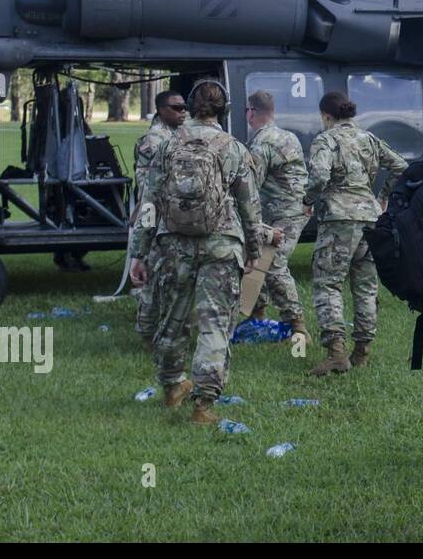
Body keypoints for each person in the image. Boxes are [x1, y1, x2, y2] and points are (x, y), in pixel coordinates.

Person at [129, 80, 280, 424]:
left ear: (192, 107)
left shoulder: (167, 145)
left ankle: (171, 387)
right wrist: (254, 250)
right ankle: (203, 405)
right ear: (224, 110)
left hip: (173, 244)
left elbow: (148, 203)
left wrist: (139, 253)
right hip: (221, 245)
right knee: (215, 324)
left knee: (173, 320)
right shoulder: (234, 148)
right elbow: (250, 207)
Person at [302, 90, 408, 375]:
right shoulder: (369, 139)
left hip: (339, 218)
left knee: (328, 283)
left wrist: (308, 199)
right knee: (365, 286)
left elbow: (320, 175)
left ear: (326, 115)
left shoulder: (326, 140)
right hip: (371, 218)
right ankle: (361, 351)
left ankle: (336, 352)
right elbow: (401, 166)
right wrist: (383, 196)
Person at [246, 90, 311, 342]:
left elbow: (250, 187)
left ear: (251, 112)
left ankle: (298, 327)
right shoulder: (287, 136)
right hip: (289, 210)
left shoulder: (262, 144)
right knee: (255, 255)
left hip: (284, 213)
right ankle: (257, 315)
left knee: (273, 264)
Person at [131, 89, 186, 351]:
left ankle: (160, 328)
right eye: (176, 108)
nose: (182, 112)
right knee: (152, 277)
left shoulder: (171, 135)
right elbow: (154, 189)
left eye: (184, 107)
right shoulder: (155, 141)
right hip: (155, 216)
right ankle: (147, 333)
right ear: (161, 110)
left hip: (164, 215)